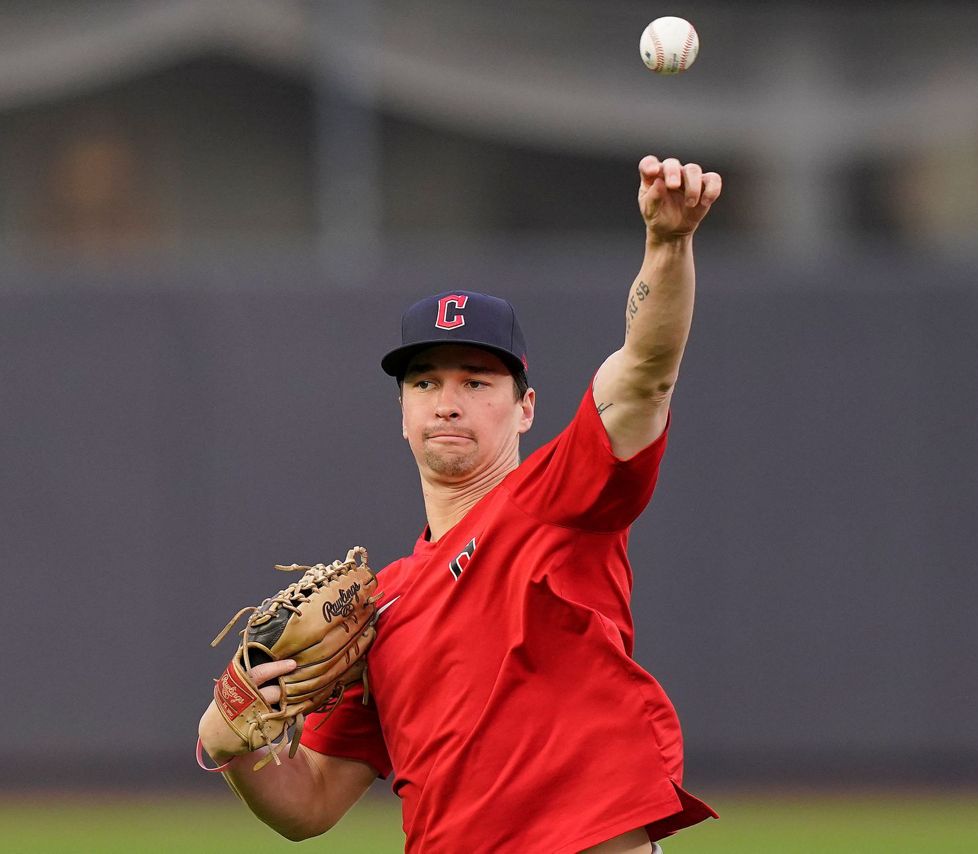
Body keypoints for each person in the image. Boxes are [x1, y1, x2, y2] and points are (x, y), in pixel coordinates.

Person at [196, 155, 722, 853]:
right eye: (425, 382)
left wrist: (667, 245)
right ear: (402, 411)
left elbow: (645, 376)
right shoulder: (375, 610)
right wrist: (228, 744)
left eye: (477, 381)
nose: (447, 402)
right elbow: (311, 802)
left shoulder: (561, 499)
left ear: (526, 407)